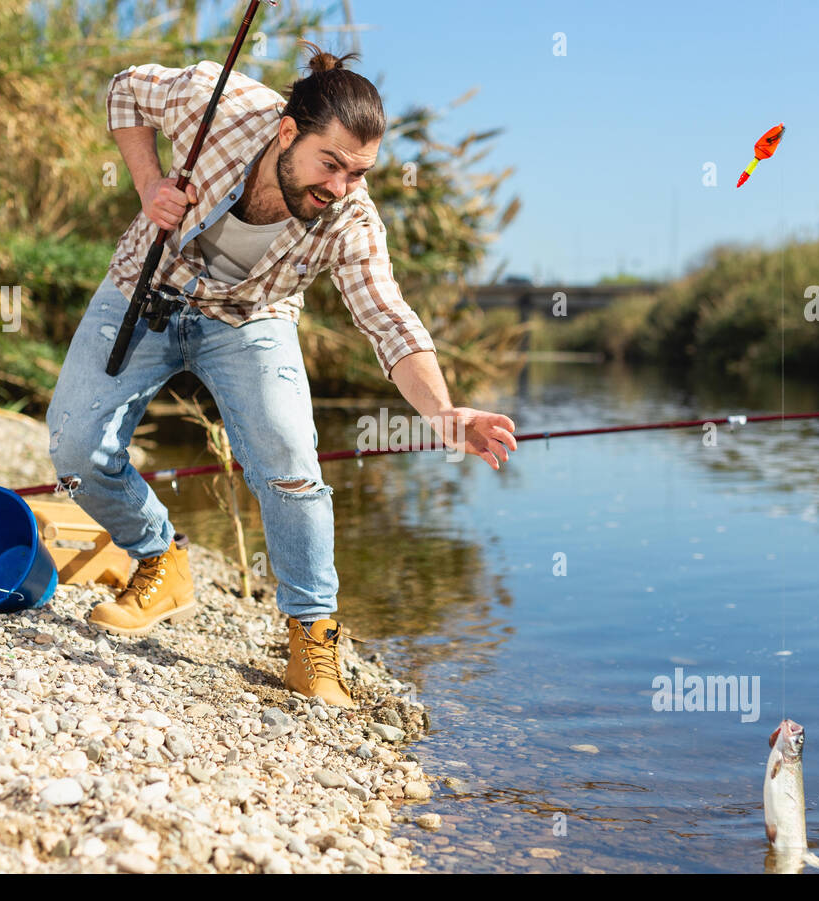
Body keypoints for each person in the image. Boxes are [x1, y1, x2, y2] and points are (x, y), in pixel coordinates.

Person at [47, 42, 517, 707]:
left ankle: (311, 640)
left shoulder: (350, 219)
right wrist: (149, 183)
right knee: (74, 452)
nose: (340, 188)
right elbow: (124, 89)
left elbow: (388, 318)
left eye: (359, 173)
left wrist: (442, 412)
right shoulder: (215, 101)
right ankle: (159, 559)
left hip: (250, 320)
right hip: (143, 288)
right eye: (331, 165)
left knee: (292, 462)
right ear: (286, 131)